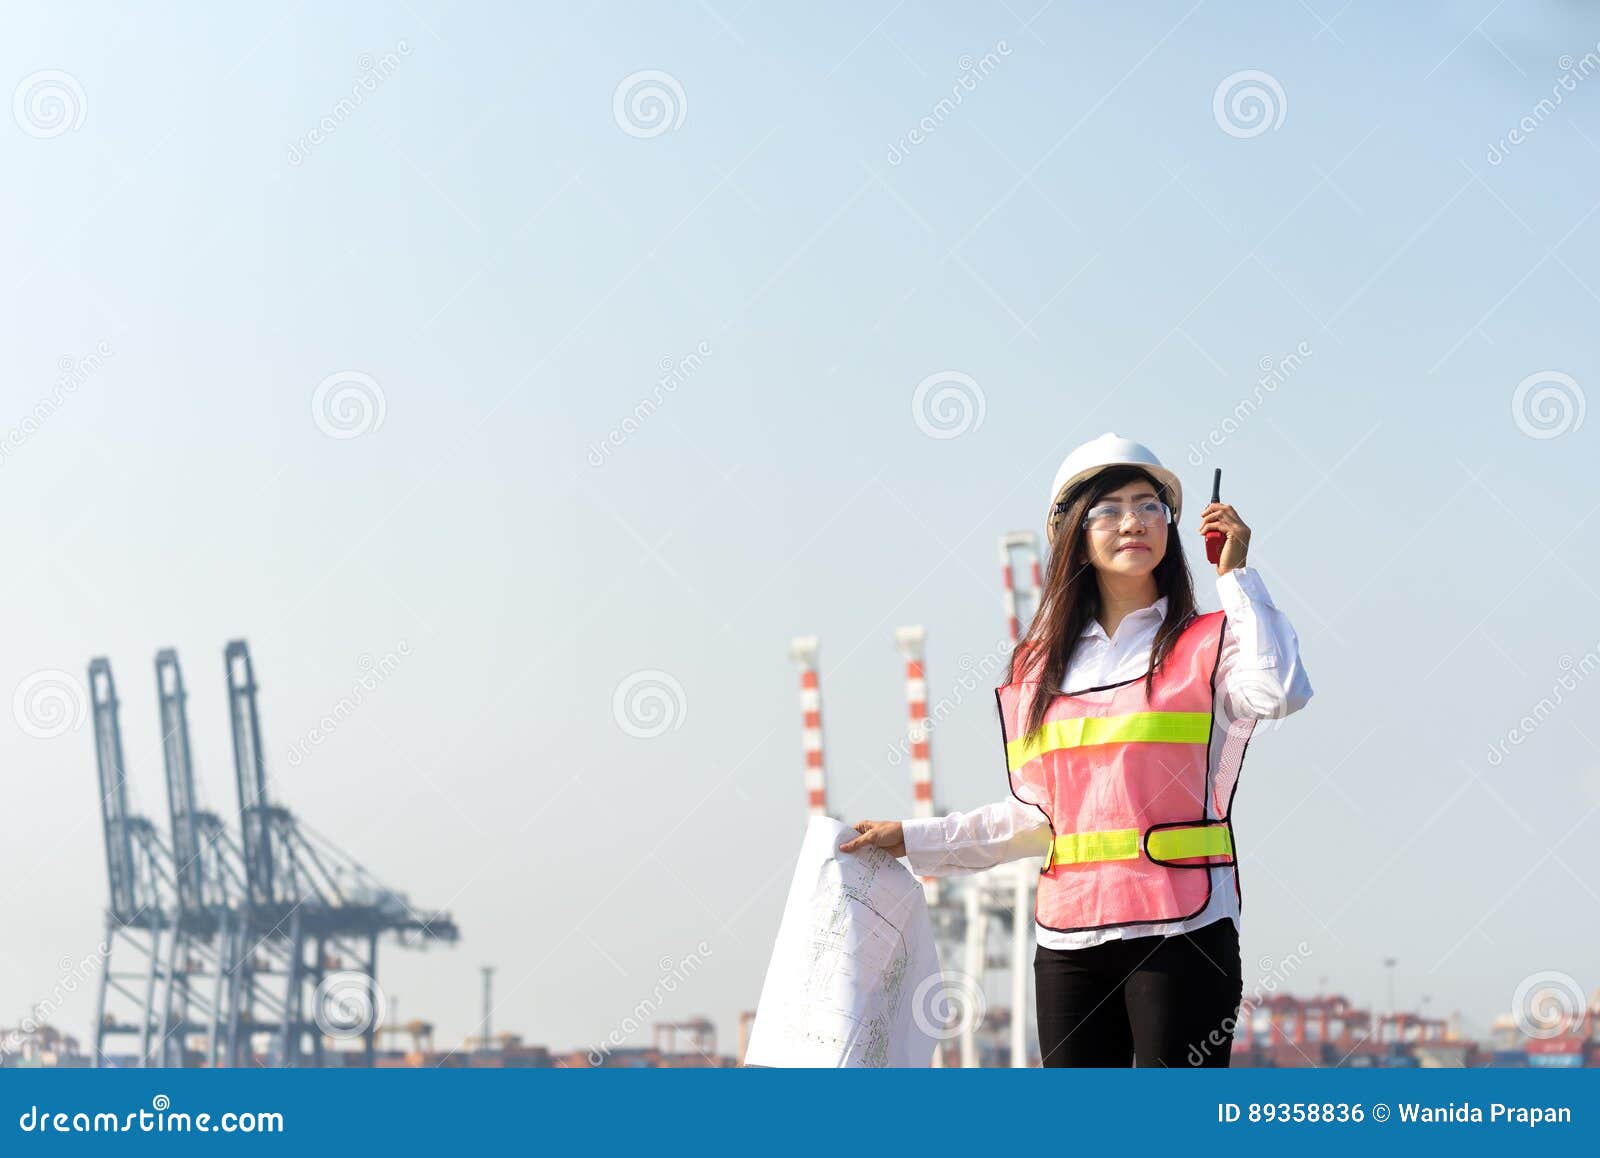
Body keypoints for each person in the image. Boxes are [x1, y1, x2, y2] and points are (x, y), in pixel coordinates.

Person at [840, 432, 1312, 1067]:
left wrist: (1237, 577)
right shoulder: (1039, 668)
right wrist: (913, 838)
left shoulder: (1209, 640)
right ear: (1072, 534)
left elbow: (1280, 692)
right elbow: (1039, 819)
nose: (1133, 522)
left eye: (1149, 506)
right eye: (1109, 509)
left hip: (1183, 931)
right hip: (1069, 941)